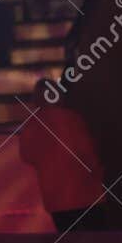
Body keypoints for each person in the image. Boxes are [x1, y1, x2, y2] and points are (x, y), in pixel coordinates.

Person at [17, 80, 106, 232]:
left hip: (55, 196)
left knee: (68, 242)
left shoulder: (31, 124)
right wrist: (99, 174)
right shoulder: (72, 118)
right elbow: (86, 152)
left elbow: (27, 156)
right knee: (96, 241)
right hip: (85, 191)